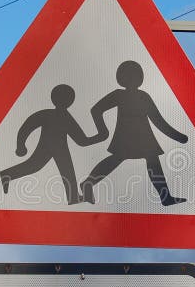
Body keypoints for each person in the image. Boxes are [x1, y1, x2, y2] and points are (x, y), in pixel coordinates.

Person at [80, 60, 188, 206]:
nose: (134, 79)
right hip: (127, 137)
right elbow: (96, 110)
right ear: (122, 78)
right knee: (120, 159)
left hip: (143, 137)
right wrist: (102, 130)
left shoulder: (143, 96)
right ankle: (88, 184)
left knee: (149, 160)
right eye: (131, 76)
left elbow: (157, 120)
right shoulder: (120, 95)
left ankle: (165, 197)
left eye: (137, 76)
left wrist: (177, 136)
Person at [0, 84, 102, 205]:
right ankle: (7, 174)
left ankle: (73, 197)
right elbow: (28, 125)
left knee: (53, 168)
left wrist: (21, 145)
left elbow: (81, 140)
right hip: (53, 147)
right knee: (47, 167)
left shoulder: (55, 115)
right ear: (71, 101)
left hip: (56, 147)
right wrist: (20, 145)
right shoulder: (60, 115)